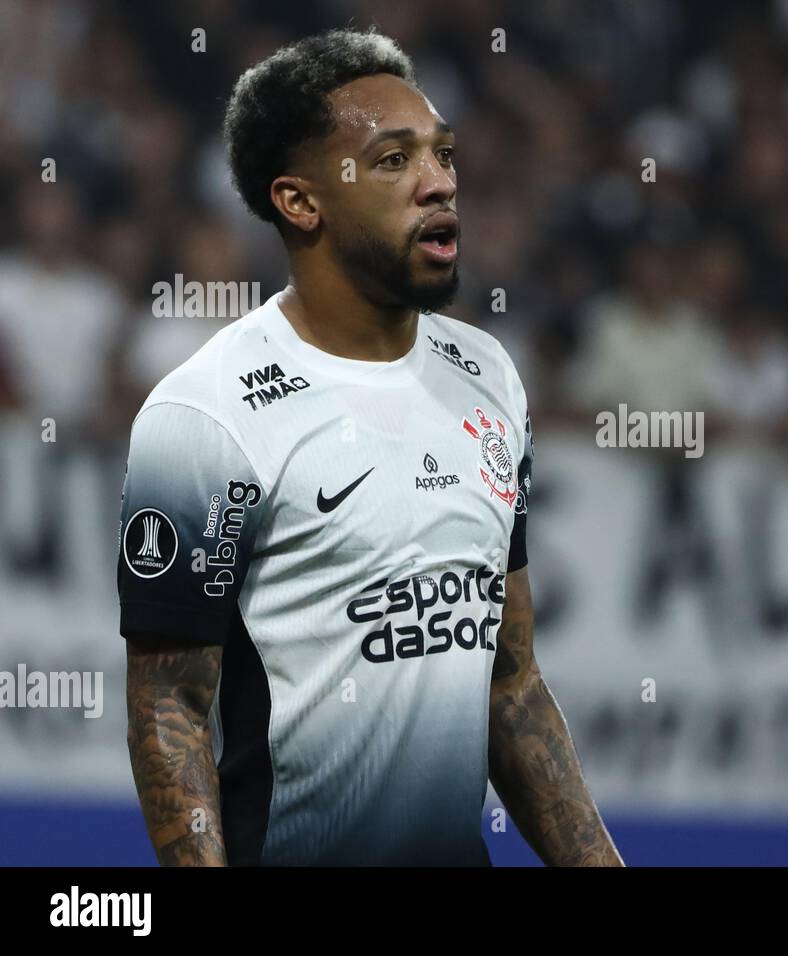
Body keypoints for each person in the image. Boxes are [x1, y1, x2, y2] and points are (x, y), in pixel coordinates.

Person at [117, 27, 622, 866]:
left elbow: (511, 682)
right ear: (300, 202)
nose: (440, 183)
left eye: (443, 153)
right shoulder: (206, 415)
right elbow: (168, 707)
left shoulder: (489, 375)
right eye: (394, 161)